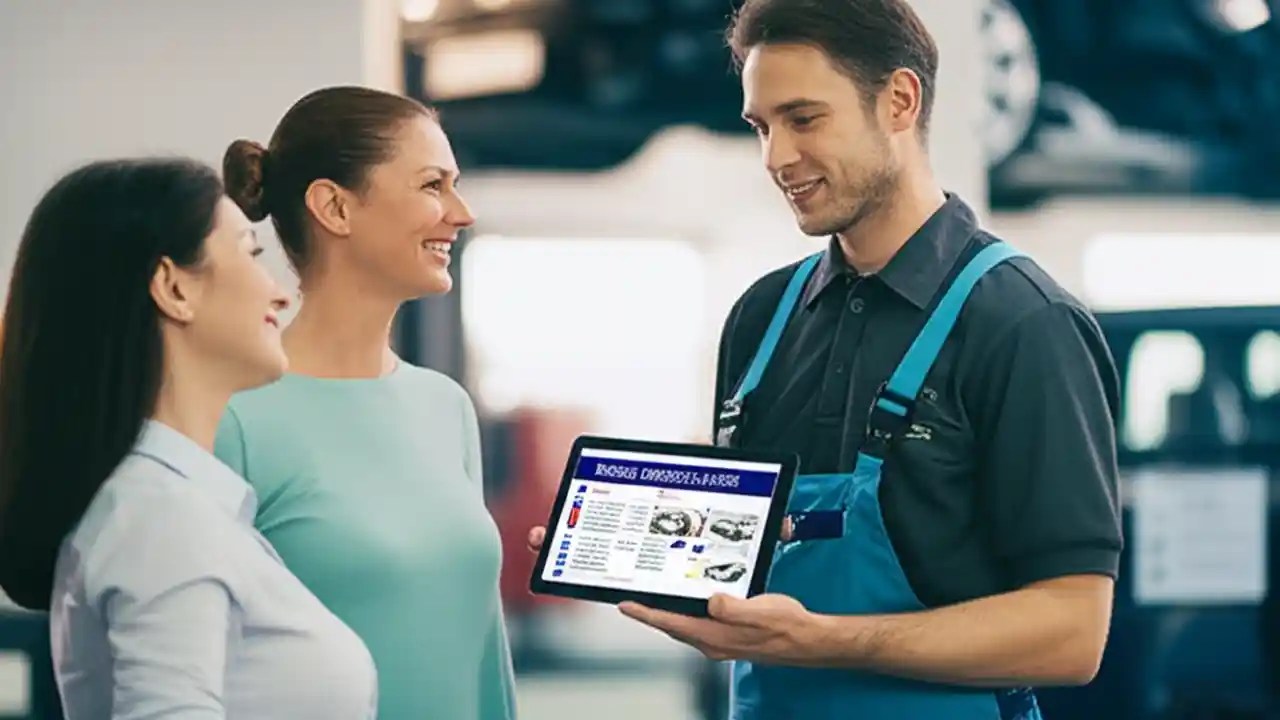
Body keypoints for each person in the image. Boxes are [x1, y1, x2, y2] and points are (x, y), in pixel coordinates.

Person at [530, 0, 1122, 717]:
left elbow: (1073, 632)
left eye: (804, 119)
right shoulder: (761, 318)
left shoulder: (1023, 323)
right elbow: (749, 552)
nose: (777, 157)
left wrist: (825, 640)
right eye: (761, 126)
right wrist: (638, 551)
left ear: (899, 101)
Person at [0, 158, 378, 718]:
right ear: (174, 287)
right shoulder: (161, 518)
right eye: (251, 254)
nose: (279, 294)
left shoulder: (175, 509)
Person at [215, 86, 515, 720]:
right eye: (433, 185)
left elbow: (486, 655)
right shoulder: (232, 416)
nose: (462, 213)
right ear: (334, 207)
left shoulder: (445, 407)